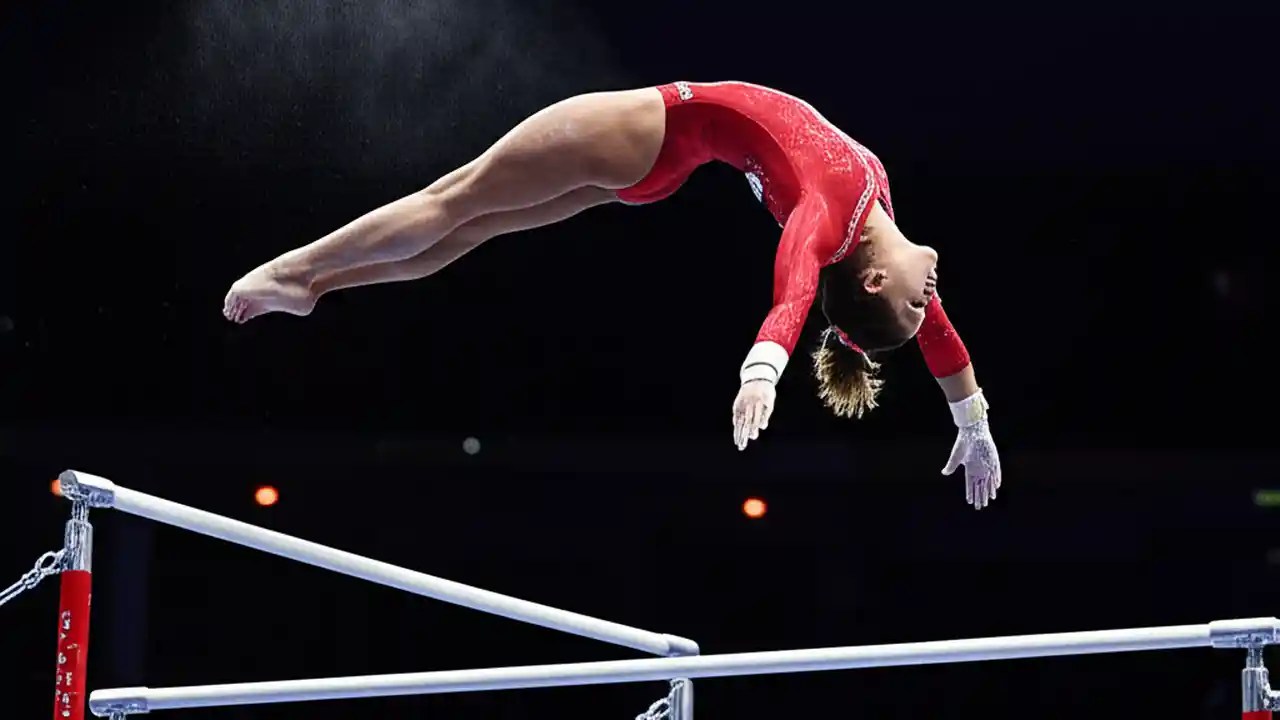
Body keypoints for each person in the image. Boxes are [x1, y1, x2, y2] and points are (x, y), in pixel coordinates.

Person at [223, 80, 1002, 509]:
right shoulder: (876, 229)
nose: (932, 299)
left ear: (873, 281)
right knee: (471, 229)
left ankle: (296, 269)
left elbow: (793, 286)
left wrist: (762, 370)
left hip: (647, 129)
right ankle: (319, 287)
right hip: (656, 169)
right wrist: (973, 423)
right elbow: (939, 337)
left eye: (913, 304)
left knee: (451, 200)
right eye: (922, 307)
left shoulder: (832, 220)